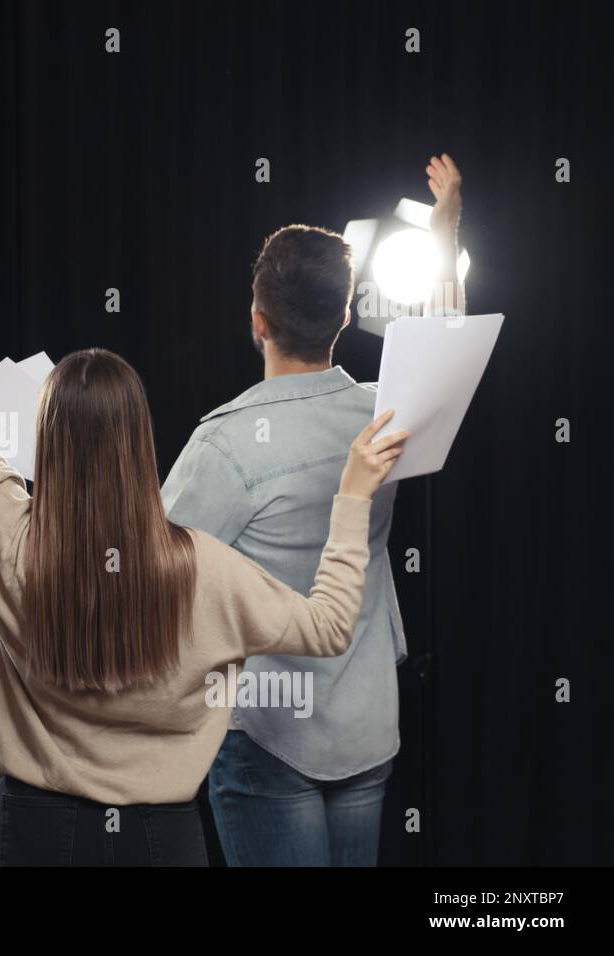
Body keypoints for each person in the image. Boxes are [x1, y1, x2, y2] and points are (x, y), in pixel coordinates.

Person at [0, 153, 410, 866]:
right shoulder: (204, 571)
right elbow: (329, 623)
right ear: (141, 444)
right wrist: (350, 498)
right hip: (164, 840)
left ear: (46, 444)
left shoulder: (11, 534)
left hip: (34, 831)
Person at [160, 154, 466, 866]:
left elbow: (154, 577)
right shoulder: (388, 411)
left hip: (266, 731)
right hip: (363, 722)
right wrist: (446, 231)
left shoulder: (224, 442)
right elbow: (450, 350)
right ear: (348, 316)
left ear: (257, 320)